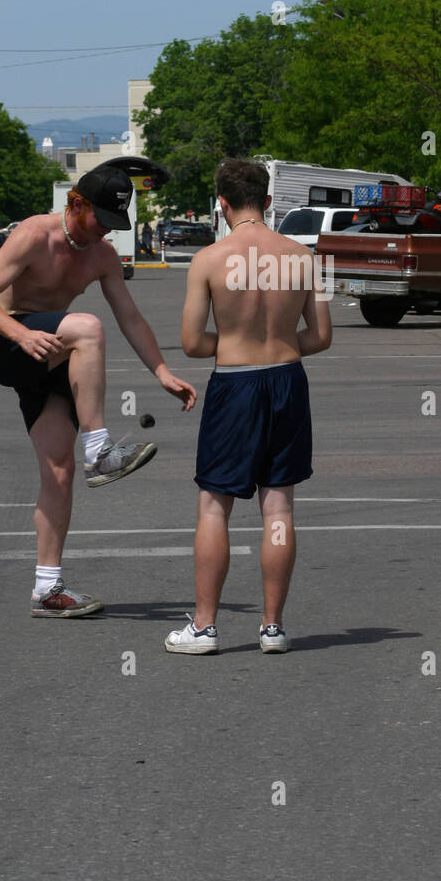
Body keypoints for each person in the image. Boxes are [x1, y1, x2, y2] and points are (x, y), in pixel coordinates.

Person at [0, 166, 197, 619]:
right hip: (3, 343)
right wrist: (20, 335)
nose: (104, 232)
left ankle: (46, 589)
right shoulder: (35, 234)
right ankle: (100, 449)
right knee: (87, 327)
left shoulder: (103, 257)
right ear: (76, 205)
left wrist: (162, 372)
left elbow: (131, 317)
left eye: (114, 224)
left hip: (51, 356)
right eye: (100, 221)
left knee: (59, 470)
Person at [165, 158, 332, 655]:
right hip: (286, 380)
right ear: (269, 200)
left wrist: (237, 343)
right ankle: (273, 627)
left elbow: (192, 343)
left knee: (215, 505)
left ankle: (204, 627)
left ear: (221, 202)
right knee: (277, 506)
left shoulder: (210, 260)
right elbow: (321, 336)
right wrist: (275, 342)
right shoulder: (302, 258)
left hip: (234, 385)